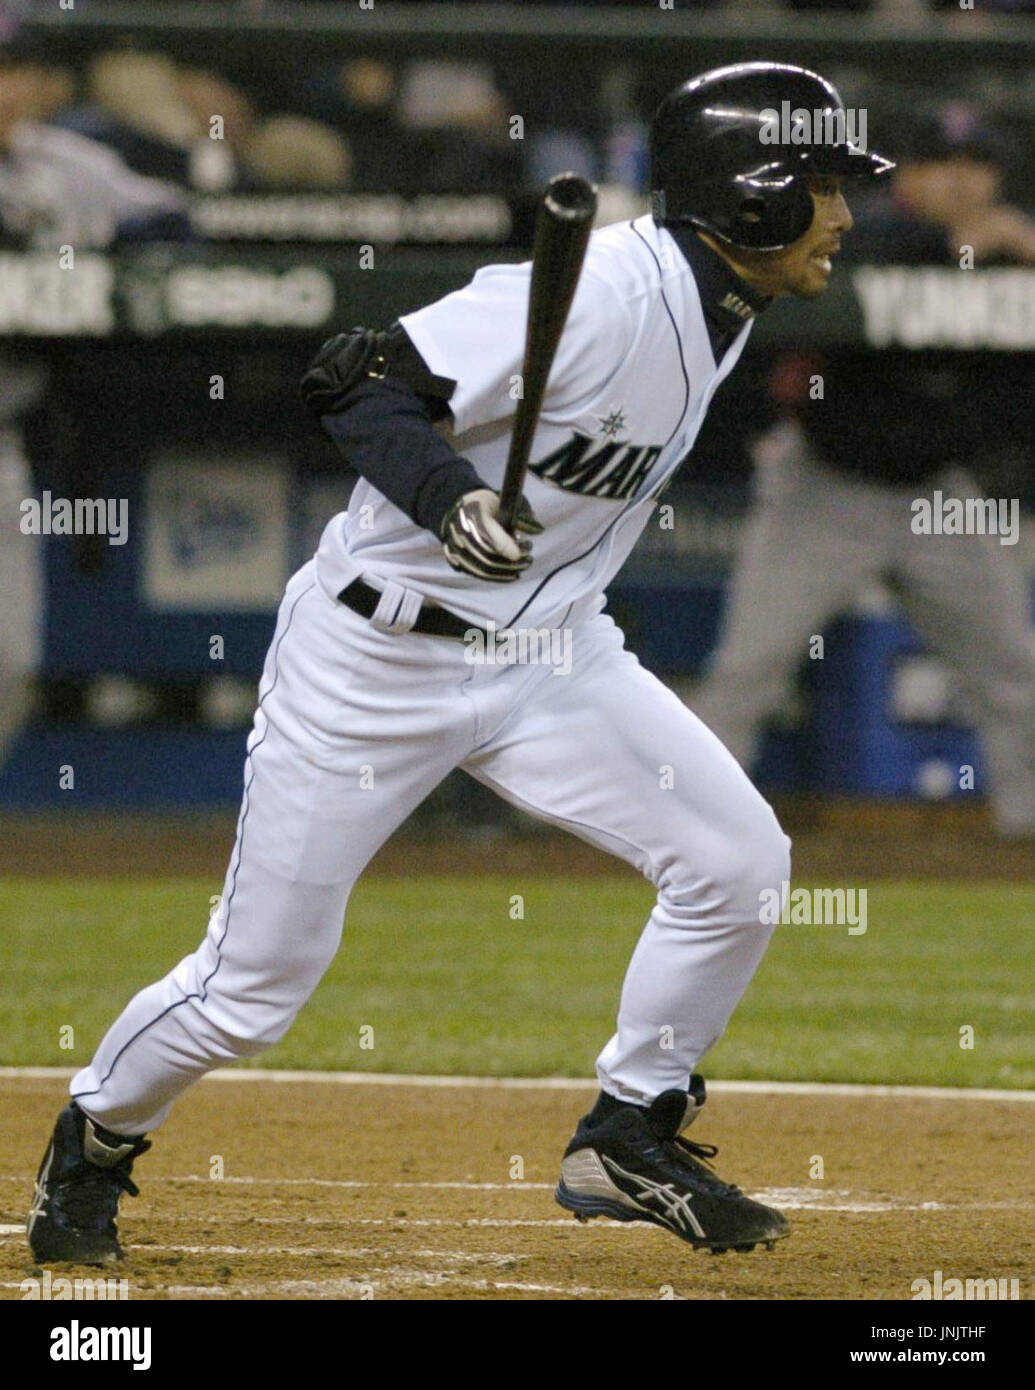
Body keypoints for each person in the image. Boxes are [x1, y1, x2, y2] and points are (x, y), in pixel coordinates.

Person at [27, 63, 893, 1265]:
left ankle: (628, 1132)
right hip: (374, 657)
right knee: (253, 987)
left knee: (736, 861)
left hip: (551, 654)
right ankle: (95, 1139)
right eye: (824, 186)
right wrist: (450, 498)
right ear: (748, 198)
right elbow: (355, 377)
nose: (846, 216)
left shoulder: (728, 301)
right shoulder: (598, 291)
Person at [693, 103, 1035, 838]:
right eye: (943, 164)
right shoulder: (858, 227)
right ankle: (685, 832)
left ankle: (1025, 834)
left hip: (934, 494)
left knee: (1014, 672)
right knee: (748, 669)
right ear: (907, 173)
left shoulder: (1010, 247)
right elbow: (846, 271)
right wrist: (948, 248)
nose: (963, 181)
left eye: (977, 164)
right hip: (825, 485)